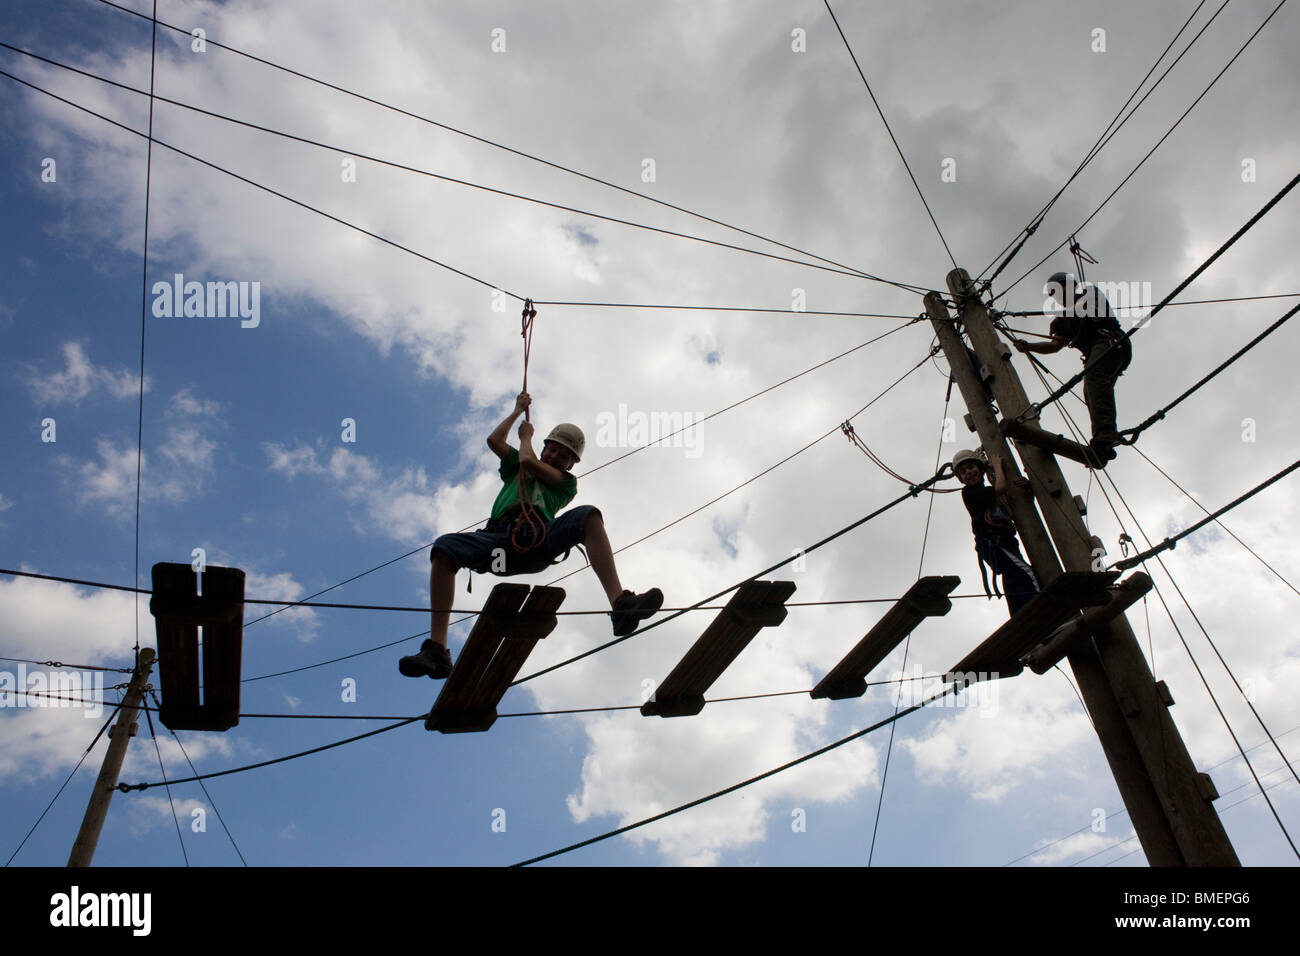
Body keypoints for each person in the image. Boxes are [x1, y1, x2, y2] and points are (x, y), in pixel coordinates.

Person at [399, 391, 664, 679]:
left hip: (538, 541)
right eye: (551, 449)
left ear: (570, 465)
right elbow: (494, 441)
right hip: (499, 541)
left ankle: (620, 604)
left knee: (588, 515)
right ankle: (438, 650)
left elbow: (528, 462)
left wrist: (526, 437)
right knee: (445, 547)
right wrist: (516, 411)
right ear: (545, 446)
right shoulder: (517, 466)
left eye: (563, 455)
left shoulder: (564, 483)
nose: (554, 456)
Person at [1013, 271, 1131, 463]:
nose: (1058, 297)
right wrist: (1029, 347)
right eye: (1053, 294)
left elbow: (1086, 306)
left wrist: (1061, 317)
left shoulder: (1088, 292)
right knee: (1091, 389)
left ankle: (1106, 432)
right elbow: (1054, 346)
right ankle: (1104, 439)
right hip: (1101, 351)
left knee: (1094, 377)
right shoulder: (1063, 321)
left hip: (1110, 341)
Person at [952, 448, 1039, 617]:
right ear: (961, 479)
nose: (968, 473)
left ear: (980, 468)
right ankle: (1042, 615)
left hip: (999, 544)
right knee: (1026, 575)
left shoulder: (985, 493)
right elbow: (999, 488)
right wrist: (998, 466)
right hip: (994, 543)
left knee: (1013, 582)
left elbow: (1012, 505)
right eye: (963, 472)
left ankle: (1021, 621)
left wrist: (1027, 489)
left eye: (971, 467)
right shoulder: (971, 493)